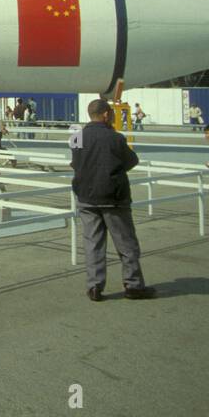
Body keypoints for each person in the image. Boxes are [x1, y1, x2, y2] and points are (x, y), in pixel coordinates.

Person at [70, 99, 155, 301]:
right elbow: (131, 160)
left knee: (93, 244)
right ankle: (133, 285)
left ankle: (94, 287)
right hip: (113, 198)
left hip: (86, 197)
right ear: (107, 114)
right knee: (125, 243)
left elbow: (75, 164)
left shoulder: (77, 137)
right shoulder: (115, 138)